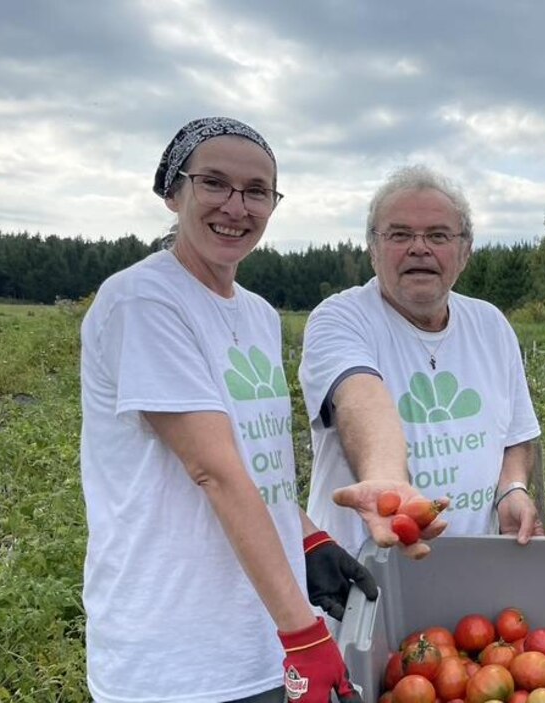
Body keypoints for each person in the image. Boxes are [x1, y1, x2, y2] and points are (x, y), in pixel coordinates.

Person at [80, 118, 428, 702]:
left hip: (257, 638)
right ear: (173, 192)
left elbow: (254, 464)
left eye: (257, 191)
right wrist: (304, 634)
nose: (236, 207)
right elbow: (212, 470)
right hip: (177, 655)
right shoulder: (145, 301)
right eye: (213, 183)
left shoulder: (259, 315)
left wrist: (307, 538)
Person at [300, 164, 542, 553]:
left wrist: (510, 488)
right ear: (373, 249)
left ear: (465, 251)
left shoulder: (491, 325)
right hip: (365, 572)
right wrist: (387, 482)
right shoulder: (342, 318)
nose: (419, 247)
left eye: (438, 235)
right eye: (399, 234)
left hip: (467, 570)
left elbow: (516, 436)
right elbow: (360, 398)